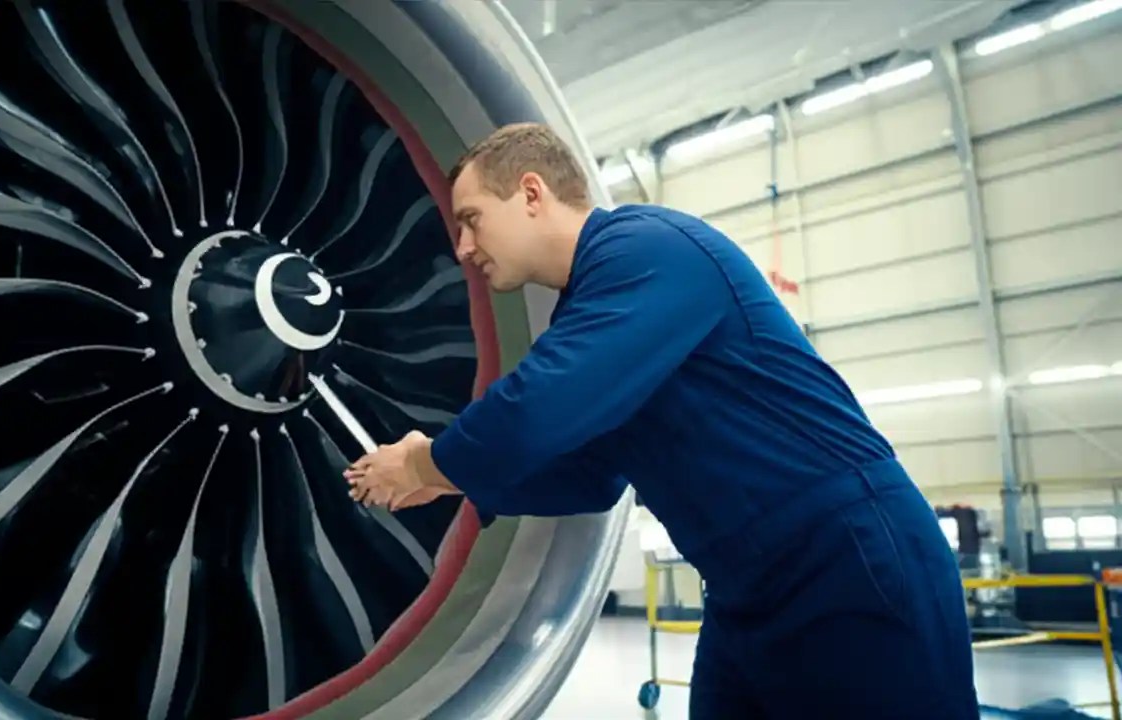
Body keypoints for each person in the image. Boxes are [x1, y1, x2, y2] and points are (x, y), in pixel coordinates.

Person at [344, 122, 978, 719]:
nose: (463, 248)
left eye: (472, 220)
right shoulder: (594, 305)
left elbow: (540, 408)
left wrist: (428, 460)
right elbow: (593, 476)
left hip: (846, 562)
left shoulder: (646, 249)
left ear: (531, 193)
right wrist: (454, 478)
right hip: (745, 591)